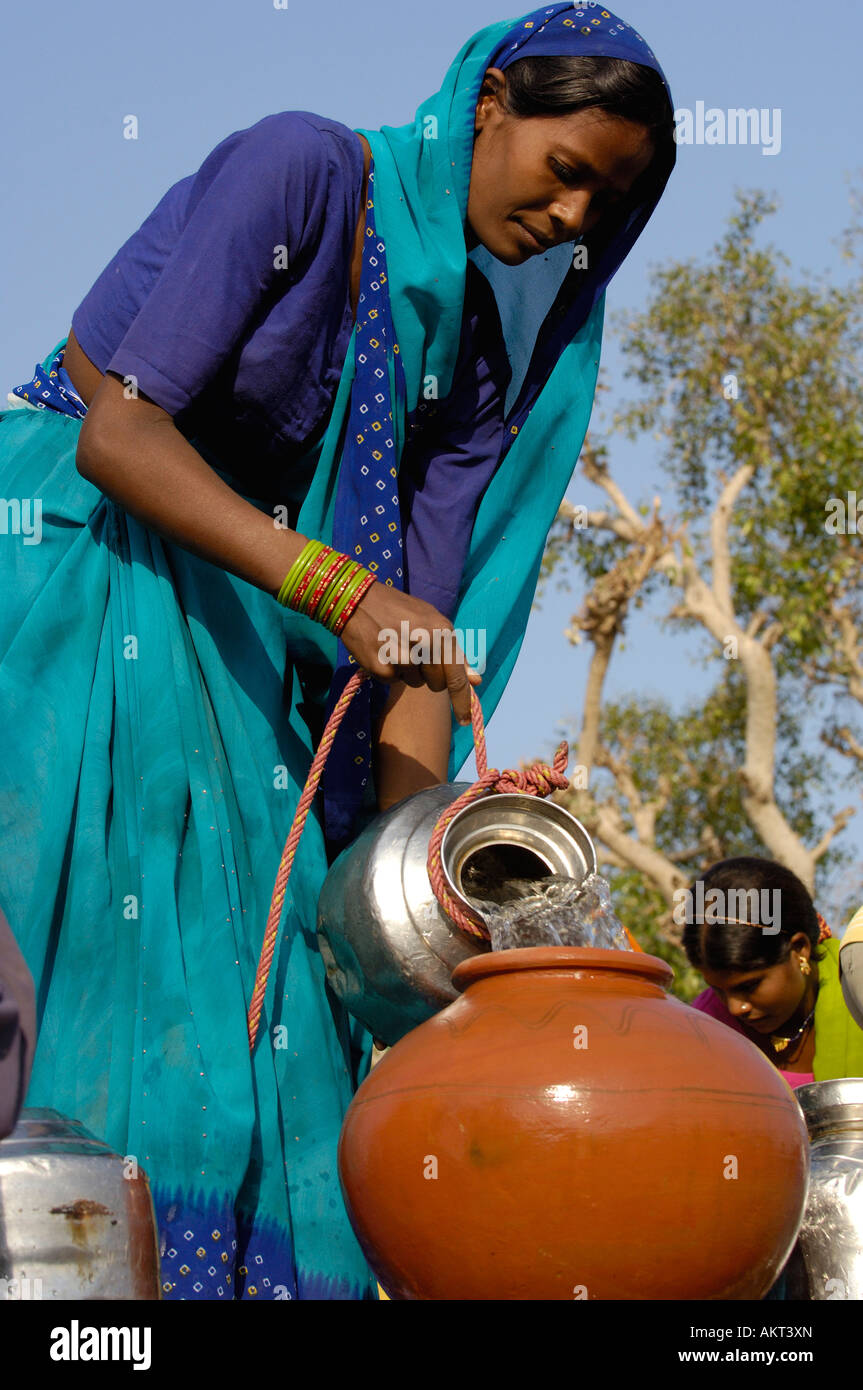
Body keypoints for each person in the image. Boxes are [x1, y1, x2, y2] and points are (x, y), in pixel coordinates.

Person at [0, 4, 676, 1299]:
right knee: (107, 1012)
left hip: (256, 647)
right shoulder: (307, 171)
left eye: (612, 197)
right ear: (488, 108)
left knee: (276, 1044)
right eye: (566, 167)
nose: (578, 216)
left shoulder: (485, 364)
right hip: (79, 576)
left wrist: (424, 872)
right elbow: (119, 434)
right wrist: (334, 584)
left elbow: (415, 656)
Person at [683, 858, 863, 1089]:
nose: (736, 1008)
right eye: (718, 990)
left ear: (799, 949)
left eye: (749, 986)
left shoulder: (855, 986)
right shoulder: (706, 1027)